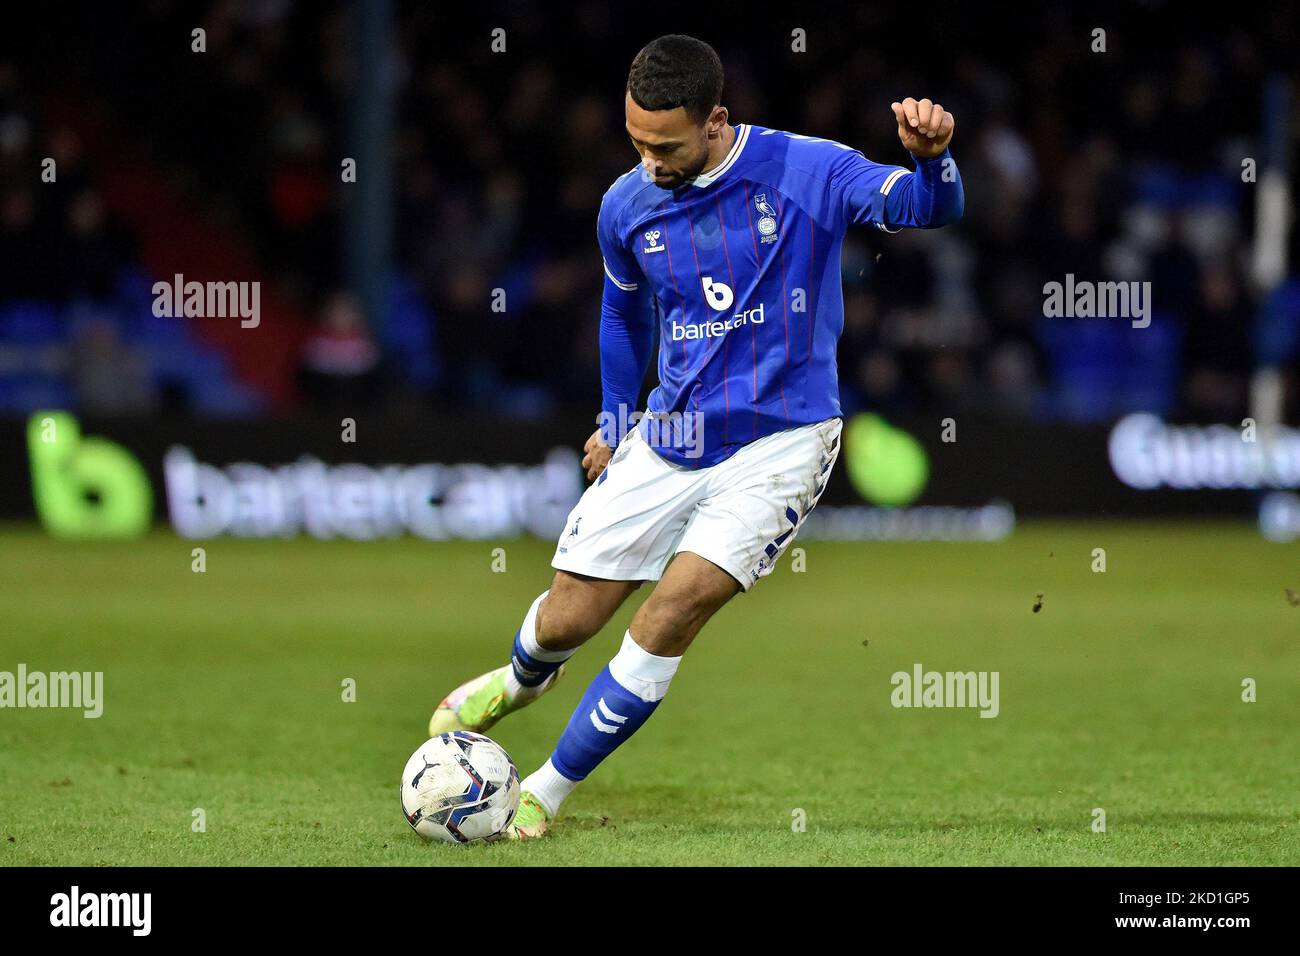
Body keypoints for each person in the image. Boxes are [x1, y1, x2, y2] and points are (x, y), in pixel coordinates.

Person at [428, 34, 964, 839]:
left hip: (781, 443)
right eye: (635, 140)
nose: (647, 160)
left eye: (665, 145)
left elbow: (929, 208)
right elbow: (621, 310)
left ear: (715, 121)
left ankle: (542, 790)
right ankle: (520, 679)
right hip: (669, 433)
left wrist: (934, 161)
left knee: (670, 612)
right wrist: (616, 416)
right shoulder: (625, 204)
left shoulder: (807, 170)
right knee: (570, 619)